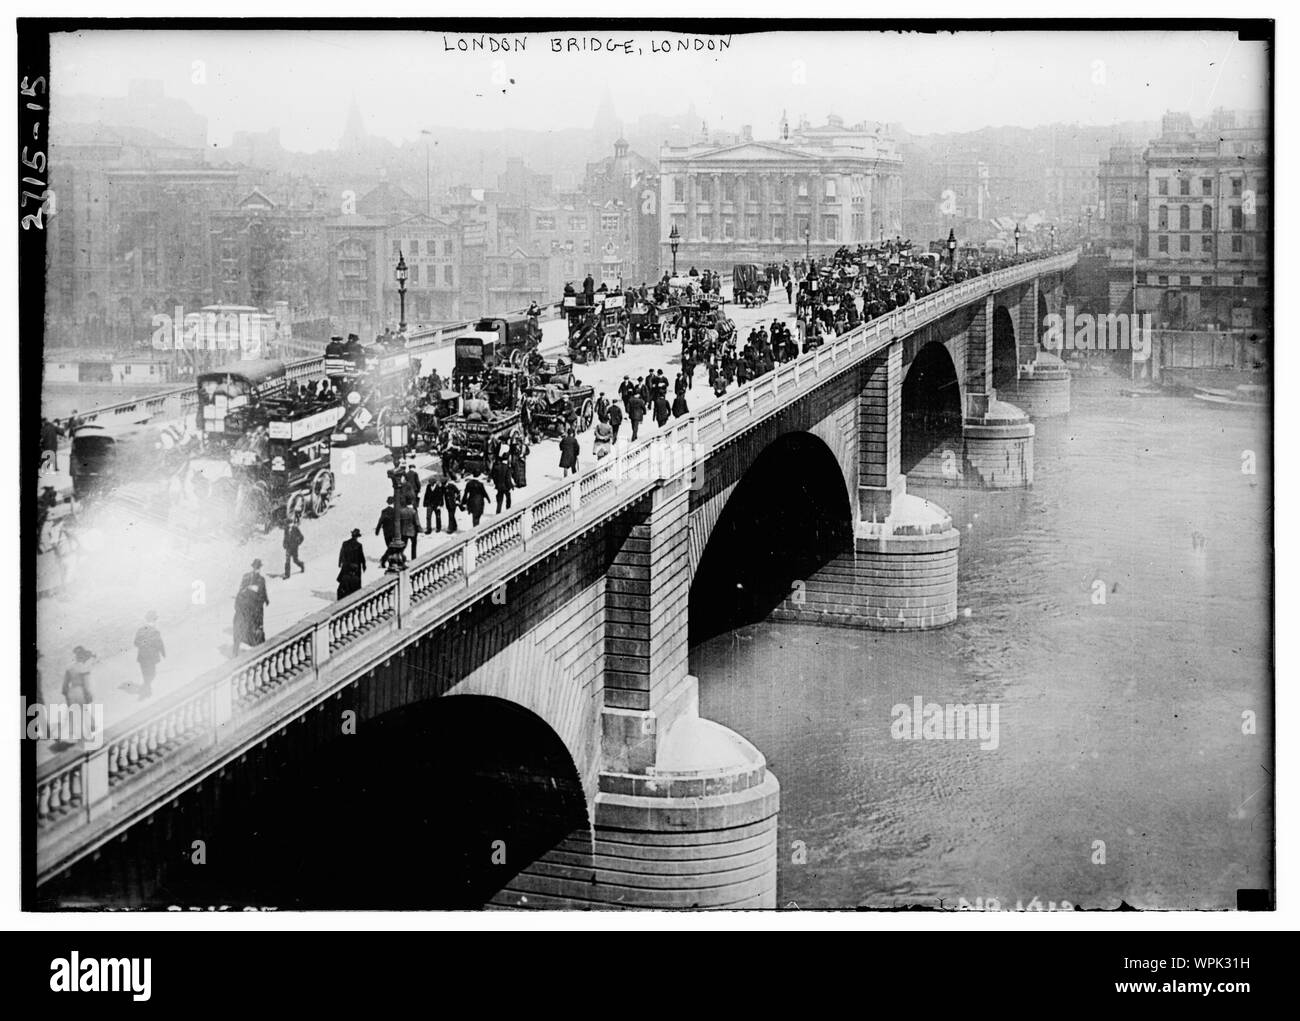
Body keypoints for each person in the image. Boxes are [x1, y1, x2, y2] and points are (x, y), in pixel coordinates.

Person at [231, 559, 269, 657]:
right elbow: (241, 590)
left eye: (258, 568)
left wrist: (266, 599)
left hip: (257, 607)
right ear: (253, 567)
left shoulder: (261, 579)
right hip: (247, 607)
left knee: (258, 628)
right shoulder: (246, 577)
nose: (257, 569)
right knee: (241, 628)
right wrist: (249, 588)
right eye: (256, 568)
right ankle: (236, 651)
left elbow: (263, 591)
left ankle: (261, 649)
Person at [60, 647, 96, 745]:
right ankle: (86, 735)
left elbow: (65, 685)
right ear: (83, 657)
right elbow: (86, 685)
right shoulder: (84, 669)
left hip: (71, 692)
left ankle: (74, 735)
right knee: (83, 713)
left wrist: (67, 695)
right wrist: (89, 695)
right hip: (80, 692)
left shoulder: (70, 668)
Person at [132, 611, 166, 700]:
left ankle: (146, 691)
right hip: (149, 658)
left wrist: (163, 652)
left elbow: (136, 643)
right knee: (151, 674)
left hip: (143, 658)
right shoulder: (153, 631)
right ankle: (146, 691)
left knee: (148, 675)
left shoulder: (143, 630)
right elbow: (159, 643)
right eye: (154, 620)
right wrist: (163, 653)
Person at [337, 528, 367, 599]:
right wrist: (364, 565)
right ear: (357, 537)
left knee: (345, 580)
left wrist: (340, 562)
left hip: (346, 565)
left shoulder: (345, 543)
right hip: (356, 566)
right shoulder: (359, 545)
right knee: (356, 581)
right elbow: (361, 556)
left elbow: (342, 553)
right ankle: (355, 595)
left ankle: (344, 594)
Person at [376, 496, 397, 567]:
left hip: (386, 532)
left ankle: (388, 561)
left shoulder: (384, 511)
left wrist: (377, 530)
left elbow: (380, 521)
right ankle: (384, 559)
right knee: (392, 548)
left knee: (390, 547)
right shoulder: (395, 511)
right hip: (394, 532)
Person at [282, 514, 305, 579]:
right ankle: (287, 575)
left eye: (289, 524)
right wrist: (284, 544)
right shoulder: (286, 529)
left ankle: (301, 565)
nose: (288, 525)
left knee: (295, 560)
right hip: (288, 548)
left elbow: (302, 537)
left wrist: (298, 543)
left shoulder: (295, 529)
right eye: (287, 524)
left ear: (291, 524)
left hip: (294, 548)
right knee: (287, 561)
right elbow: (285, 538)